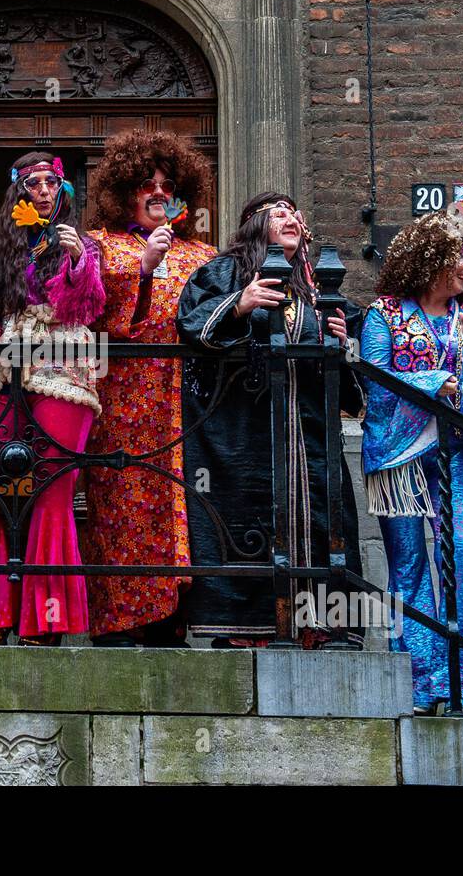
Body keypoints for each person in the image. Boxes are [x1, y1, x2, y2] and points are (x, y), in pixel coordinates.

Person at [176, 192, 365, 647]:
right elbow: (189, 322)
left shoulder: (320, 287)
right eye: (277, 212)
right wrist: (239, 305)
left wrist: (341, 346)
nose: (290, 217)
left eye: (295, 213)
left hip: (311, 433)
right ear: (253, 226)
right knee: (246, 521)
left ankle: (320, 626)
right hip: (244, 431)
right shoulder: (224, 272)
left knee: (322, 518)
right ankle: (247, 628)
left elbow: (351, 383)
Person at [0, 151, 105, 645]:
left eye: (52, 183)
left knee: (51, 493)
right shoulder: (2, 251)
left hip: (62, 370)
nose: (44, 190)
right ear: (20, 193)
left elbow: (87, 306)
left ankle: (44, 624)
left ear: (64, 192)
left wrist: (75, 261)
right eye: (34, 184)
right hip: (6, 372)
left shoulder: (84, 246)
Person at [361, 211, 463, 714]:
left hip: (456, 456)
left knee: (461, 557)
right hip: (399, 459)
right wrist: (429, 383)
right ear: (429, 259)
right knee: (408, 567)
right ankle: (422, 683)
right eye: (458, 258)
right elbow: (373, 380)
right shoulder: (384, 313)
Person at [82, 129, 215, 647]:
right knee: (122, 503)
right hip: (122, 399)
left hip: (187, 401)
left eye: (168, 185)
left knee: (180, 505)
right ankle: (117, 621)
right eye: (146, 184)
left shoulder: (203, 255)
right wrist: (143, 268)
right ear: (124, 192)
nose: (158, 192)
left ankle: (171, 621)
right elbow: (88, 317)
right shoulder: (99, 245)